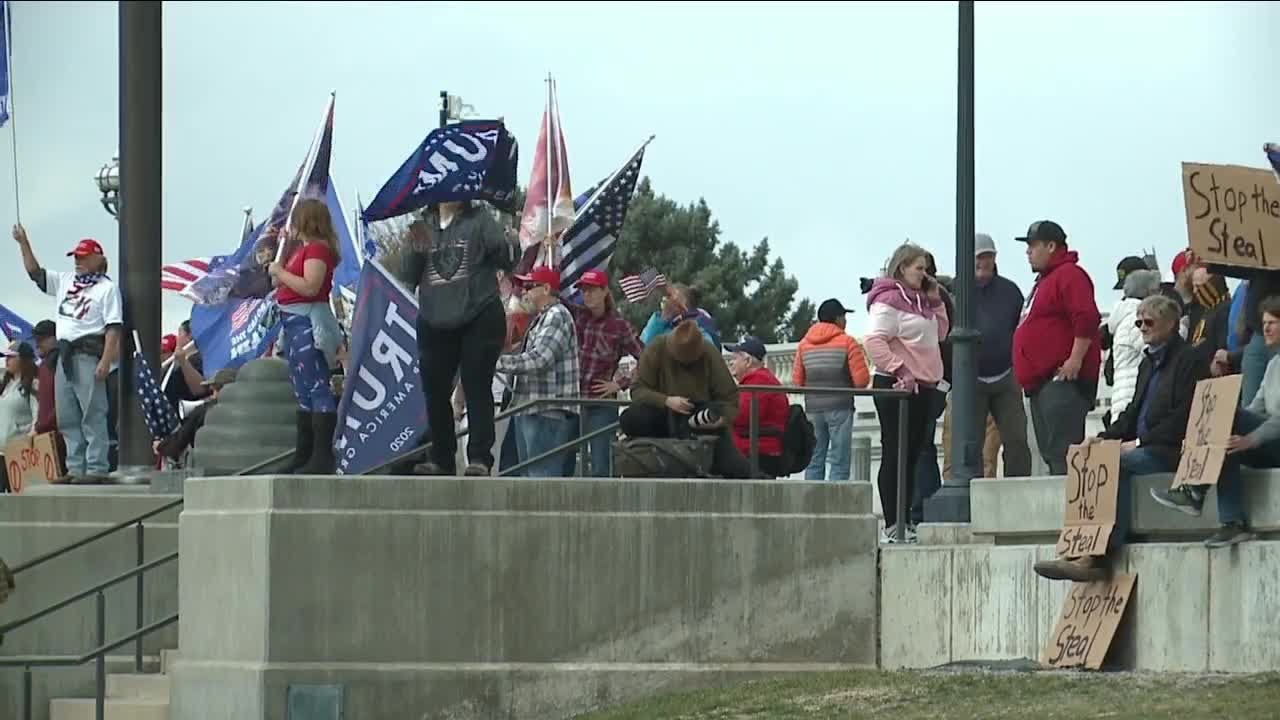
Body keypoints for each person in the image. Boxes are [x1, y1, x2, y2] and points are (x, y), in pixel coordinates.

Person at [1035, 295, 1202, 581]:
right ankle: (1079, 544)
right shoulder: (1147, 363)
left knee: (1118, 464)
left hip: (1171, 448)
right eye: (1138, 322)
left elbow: (1185, 416)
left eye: (1148, 322)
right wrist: (1102, 437)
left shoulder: (1190, 360)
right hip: (1148, 443)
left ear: (1171, 323)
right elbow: (1132, 413)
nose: (1141, 328)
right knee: (1089, 458)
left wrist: (1137, 443)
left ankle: (1098, 554)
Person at [1150, 296, 1280, 549]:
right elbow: (1255, 409)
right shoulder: (1274, 364)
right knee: (1223, 424)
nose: (1265, 328)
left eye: (1273, 322)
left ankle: (1195, 491)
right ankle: (1231, 523)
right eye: (1264, 322)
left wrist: (1251, 438)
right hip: (1270, 441)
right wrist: (1207, 434)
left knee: (1226, 417)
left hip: (1274, 442)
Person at [400, 201, 516, 476]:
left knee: (476, 384)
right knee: (435, 391)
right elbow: (407, 276)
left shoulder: (480, 218)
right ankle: (441, 458)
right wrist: (414, 252)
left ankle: (479, 458)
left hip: (478, 312)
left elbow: (507, 258)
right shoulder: (422, 223)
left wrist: (506, 239)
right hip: (434, 317)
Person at [14, 227, 122, 482]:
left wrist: (106, 360)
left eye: (83, 257)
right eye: (76, 256)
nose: (78, 261)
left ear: (98, 259)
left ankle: (96, 467)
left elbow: (113, 327)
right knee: (68, 415)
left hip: (88, 352)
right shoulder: (65, 280)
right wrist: (23, 242)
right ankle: (76, 468)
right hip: (65, 355)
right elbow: (35, 274)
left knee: (92, 412)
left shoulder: (107, 288)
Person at [864, 243, 948, 543]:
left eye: (925, 269)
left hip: (923, 387)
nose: (924, 274)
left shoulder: (921, 300)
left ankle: (905, 519)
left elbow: (940, 334)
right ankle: (891, 521)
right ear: (902, 268)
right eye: (919, 268)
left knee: (912, 455)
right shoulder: (888, 300)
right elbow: (874, 341)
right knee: (895, 453)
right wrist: (900, 369)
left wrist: (936, 303)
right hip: (897, 386)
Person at [1012, 220, 1102, 475]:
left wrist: (1075, 359)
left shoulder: (1070, 274)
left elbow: (1086, 317)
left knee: (1064, 452)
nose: (1028, 252)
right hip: (1040, 383)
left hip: (1062, 381)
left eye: (1033, 245)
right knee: (1052, 453)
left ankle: (1069, 509)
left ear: (1051, 246)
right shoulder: (1044, 281)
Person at [623, 317, 752, 479]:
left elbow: (730, 398)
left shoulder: (709, 353)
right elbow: (637, 390)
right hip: (659, 416)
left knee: (736, 467)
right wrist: (666, 401)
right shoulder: (656, 349)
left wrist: (721, 419)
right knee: (630, 418)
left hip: (698, 417)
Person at [267, 198, 342, 474]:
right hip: (292, 323)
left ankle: (322, 456)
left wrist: (281, 272)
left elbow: (311, 286)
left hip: (307, 323)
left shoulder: (318, 251)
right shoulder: (303, 250)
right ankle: (305, 453)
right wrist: (283, 253)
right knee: (302, 388)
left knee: (316, 385)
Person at [494, 266, 580, 478]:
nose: (524, 292)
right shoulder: (541, 319)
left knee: (542, 481)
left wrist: (497, 363)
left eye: (530, 286)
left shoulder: (557, 315)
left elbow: (541, 359)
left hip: (546, 411)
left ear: (546, 289)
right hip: (532, 409)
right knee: (530, 481)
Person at [961, 233, 1032, 478]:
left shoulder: (1010, 291)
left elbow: (1024, 330)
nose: (984, 262)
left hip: (1006, 376)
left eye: (989, 256)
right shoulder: (958, 291)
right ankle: (970, 495)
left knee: (1017, 440)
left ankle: (1018, 488)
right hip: (971, 380)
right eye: (980, 257)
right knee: (969, 445)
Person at [564, 269, 643, 477]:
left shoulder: (619, 326)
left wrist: (620, 383)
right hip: (573, 400)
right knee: (565, 458)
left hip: (601, 402)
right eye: (584, 290)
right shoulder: (577, 315)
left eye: (591, 290)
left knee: (602, 463)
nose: (587, 295)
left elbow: (646, 358)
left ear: (604, 291)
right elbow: (554, 296)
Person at [793, 298, 871, 481]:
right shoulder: (848, 343)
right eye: (843, 316)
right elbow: (862, 381)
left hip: (813, 409)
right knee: (839, 460)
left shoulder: (804, 345)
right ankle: (838, 504)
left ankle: (812, 503)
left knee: (814, 459)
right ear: (837, 319)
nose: (845, 320)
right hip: (840, 408)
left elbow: (797, 381)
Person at [726, 336, 789, 477]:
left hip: (757, 451)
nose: (730, 363)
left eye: (735, 358)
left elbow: (740, 416)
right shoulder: (758, 380)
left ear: (748, 361)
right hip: (757, 447)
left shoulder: (758, 382)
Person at [1106, 267, 1163, 423]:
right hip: (1132, 401)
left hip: (1124, 398)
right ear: (1148, 292)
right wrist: (1181, 327)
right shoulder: (1135, 320)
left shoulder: (1124, 317)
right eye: (1157, 291)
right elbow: (1157, 349)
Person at [154, 368, 238, 462]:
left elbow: (179, 441)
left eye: (214, 390)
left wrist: (161, 446)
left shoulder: (203, 411)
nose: (211, 396)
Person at [0, 342, 39, 493]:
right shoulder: (5, 385)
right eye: (6, 357)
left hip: (19, 453)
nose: (7, 360)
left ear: (23, 359)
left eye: (11, 357)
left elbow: (37, 416)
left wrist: (29, 438)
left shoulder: (32, 384)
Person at [640, 283, 719, 349]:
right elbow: (642, 347)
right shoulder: (661, 324)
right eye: (663, 301)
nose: (665, 306)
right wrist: (663, 318)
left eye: (667, 300)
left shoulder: (700, 327)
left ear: (682, 303)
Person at [162, 320, 207, 416]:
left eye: (180, 333)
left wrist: (183, 361)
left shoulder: (200, 359)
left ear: (189, 336)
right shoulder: (177, 362)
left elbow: (200, 389)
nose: (178, 338)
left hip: (189, 419)